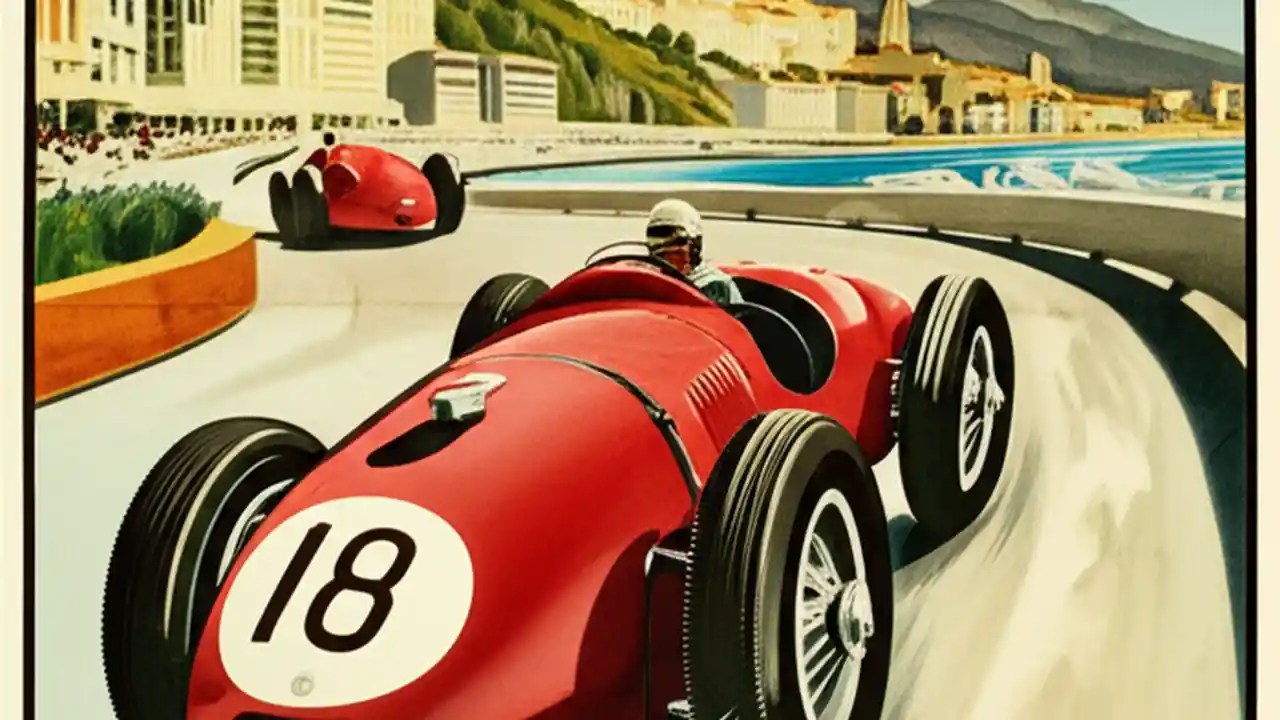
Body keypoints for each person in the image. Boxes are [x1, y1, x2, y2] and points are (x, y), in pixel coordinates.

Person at [645, 198, 743, 305]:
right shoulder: (648, 278)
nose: (667, 258)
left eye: (677, 252)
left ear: (693, 249)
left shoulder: (714, 287)